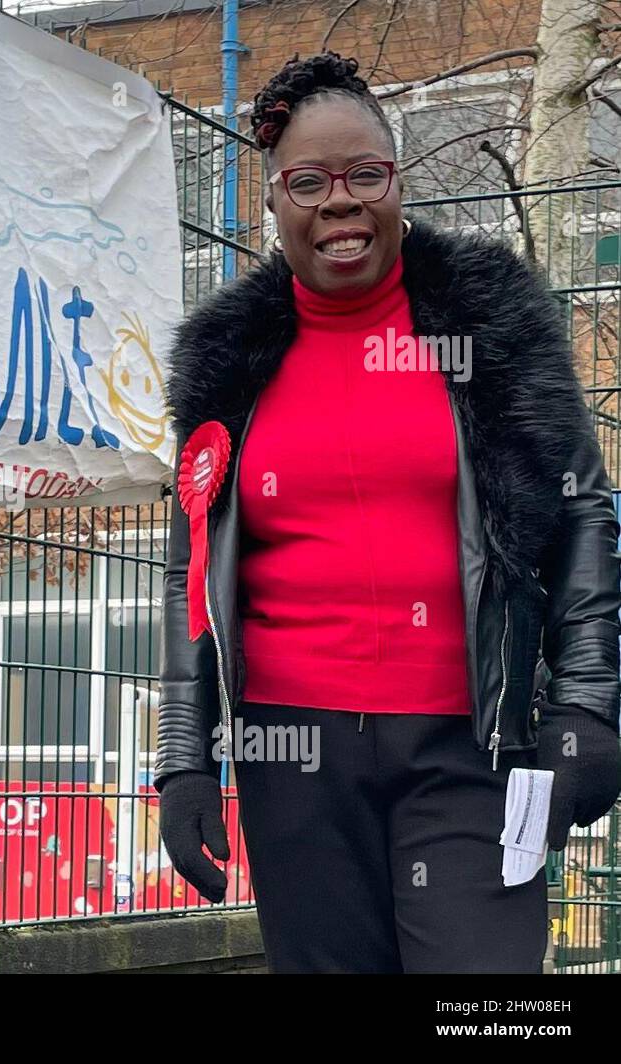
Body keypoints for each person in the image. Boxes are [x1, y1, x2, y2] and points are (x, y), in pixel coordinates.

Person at [156, 52, 621, 973]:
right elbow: (192, 571)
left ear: (396, 183)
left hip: (476, 743)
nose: (341, 201)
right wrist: (182, 757)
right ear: (275, 200)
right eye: (309, 181)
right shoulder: (225, 357)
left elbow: (582, 520)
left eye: (367, 173)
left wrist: (591, 708)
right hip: (292, 754)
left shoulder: (492, 321)